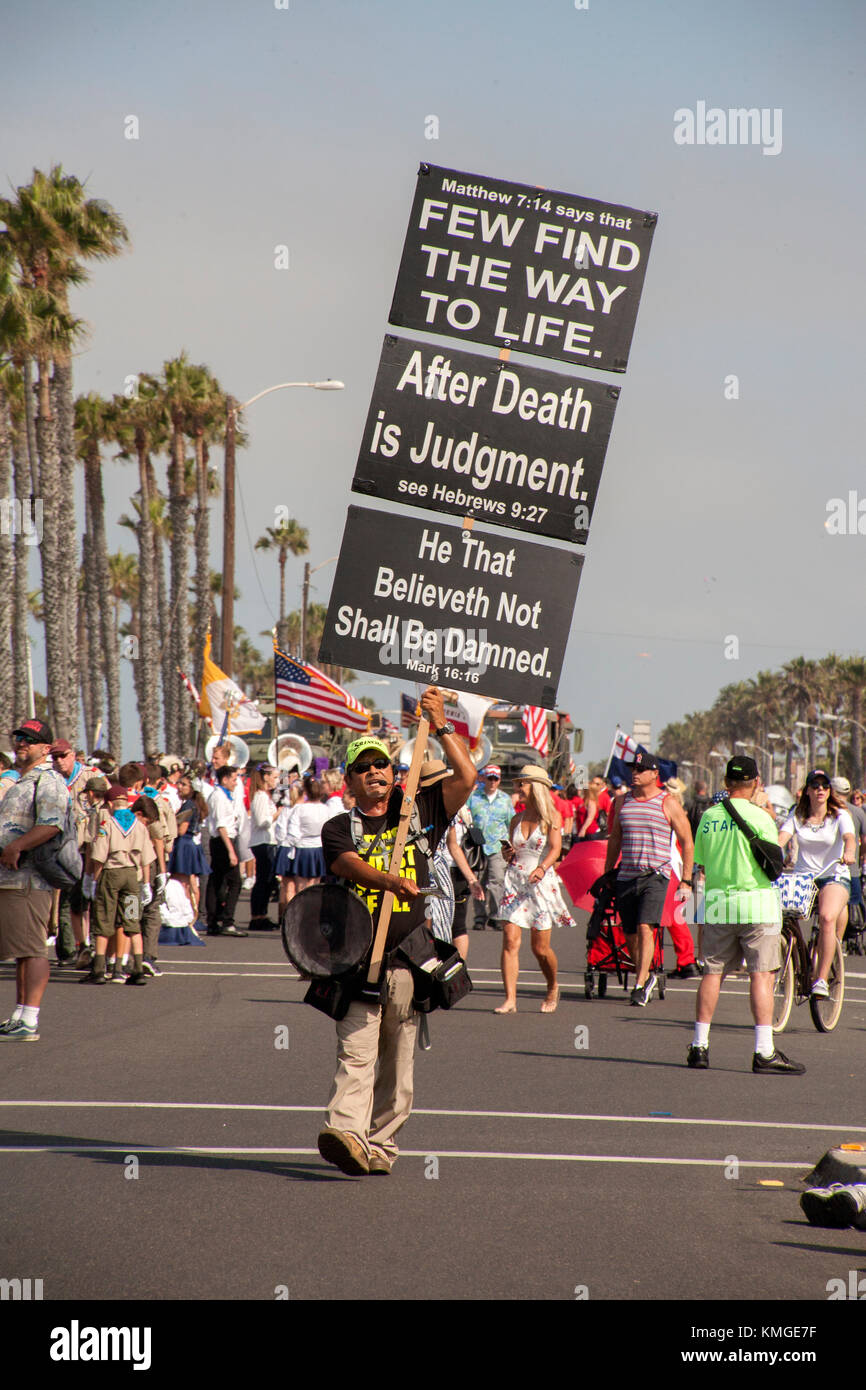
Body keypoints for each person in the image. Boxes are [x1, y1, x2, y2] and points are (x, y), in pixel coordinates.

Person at [317, 687, 476, 1177]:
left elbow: (467, 776)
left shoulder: (422, 811)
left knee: (397, 1065)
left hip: (411, 961)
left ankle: (380, 1147)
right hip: (358, 960)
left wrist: (440, 722)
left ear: (392, 770)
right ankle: (345, 1133)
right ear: (350, 780)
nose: (375, 773)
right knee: (356, 1054)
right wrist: (387, 880)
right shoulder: (339, 826)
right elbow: (345, 865)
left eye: (381, 764)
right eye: (363, 768)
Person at [688, 755, 805, 1074]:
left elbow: (701, 862)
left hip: (717, 903)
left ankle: (699, 1046)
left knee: (713, 974)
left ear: (725, 783)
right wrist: (766, 810)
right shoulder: (760, 817)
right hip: (756, 904)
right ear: (755, 783)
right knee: (761, 974)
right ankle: (764, 1051)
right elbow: (775, 861)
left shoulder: (709, 816)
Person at [603, 749, 694, 1007]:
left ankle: (640, 984)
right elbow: (615, 839)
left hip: (656, 875)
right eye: (633, 769)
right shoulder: (622, 802)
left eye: (640, 770)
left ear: (655, 774)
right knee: (629, 932)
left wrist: (686, 879)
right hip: (626, 875)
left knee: (646, 927)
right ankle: (647, 974)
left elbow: (687, 841)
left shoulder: (668, 803)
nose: (634, 773)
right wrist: (608, 872)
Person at [0, 719, 69, 1041]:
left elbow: (51, 825)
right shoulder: (23, 782)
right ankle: (19, 1014)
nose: (22, 744)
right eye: (19, 738)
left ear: (45, 748)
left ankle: (30, 1019)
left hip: (30, 879)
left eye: (29, 739)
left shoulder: (49, 781)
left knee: (33, 950)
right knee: (22, 952)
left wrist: (16, 846)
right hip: (12, 878)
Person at [495, 765, 576, 1014]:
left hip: (540, 882)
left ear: (537, 787)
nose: (519, 787)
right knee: (510, 940)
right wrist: (506, 853)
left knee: (540, 948)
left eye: (524, 783)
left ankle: (552, 985)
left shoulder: (551, 817)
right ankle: (510, 999)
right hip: (515, 880)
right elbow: (512, 852)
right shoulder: (516, 819)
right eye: (519, 783)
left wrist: (541, 868)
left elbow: (555, 849)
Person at [777, 770, 856, 998]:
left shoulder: (840, 814)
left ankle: (821, 978)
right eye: (815, 785)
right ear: (807, 790)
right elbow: (782, 837)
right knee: (783, 918)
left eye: (825, 785)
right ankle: (789, 964)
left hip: (833, 874)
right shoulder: (797, 814)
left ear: (829, 791)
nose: (820, 789)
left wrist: (849, 851)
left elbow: (849, 838)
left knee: (827, 917)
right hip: (803, 878)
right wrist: (772, 851)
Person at [83, 785, 155, 986]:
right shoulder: (140, 826)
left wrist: (93, 880)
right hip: (132, 877)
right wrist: (146, 884)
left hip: (111, 874)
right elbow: (146, 858)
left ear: (112, 804)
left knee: (104, 919)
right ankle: (138, 969)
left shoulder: (108, 824)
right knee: (132, 920)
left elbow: (99, 856)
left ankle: (98, 970)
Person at [467, 764, 515, 931]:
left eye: (496, 778)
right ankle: (480, 917)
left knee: (496, 882)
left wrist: (512, 845)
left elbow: (512, 823)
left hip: (497, 848)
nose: (493, 781)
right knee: (477, 882)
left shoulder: (505, 799)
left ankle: (495, 916)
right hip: (477, 848)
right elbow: (465, 819)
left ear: (500, 780)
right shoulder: (474, 797)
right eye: (490, 778)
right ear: (484, 778)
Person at [204, 765, 247, 937]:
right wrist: (231, 851)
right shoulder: (219, 797)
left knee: (218, 881)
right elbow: (221, 826)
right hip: (224, 841)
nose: (236, 783)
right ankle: (227, 921)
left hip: (224, 840)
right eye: (234, 779)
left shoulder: (224, 796)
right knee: (235, 881)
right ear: (225, 779)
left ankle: (214, 921)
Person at [248, 763, 279, 929]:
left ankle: (263, 913)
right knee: (262, 880)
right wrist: (278, 813)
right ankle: (257, 916)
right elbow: (262, 821)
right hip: (262, 841)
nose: (277, 781)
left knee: (268, 881)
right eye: (274, 777)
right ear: (266, 777)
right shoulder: (260, 796)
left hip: (268, 840)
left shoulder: (266, 796)